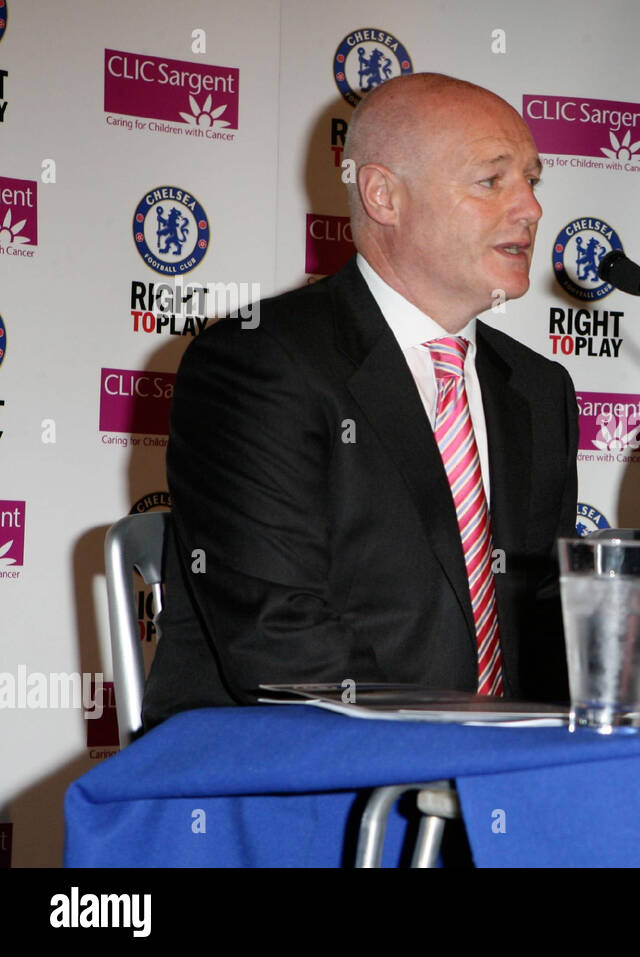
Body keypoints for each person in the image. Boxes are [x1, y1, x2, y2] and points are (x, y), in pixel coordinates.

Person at [142, 74, 577, 727]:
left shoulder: (538, 389)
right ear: (383, 196)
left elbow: (550, 621)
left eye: (533, 181)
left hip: (490, 784)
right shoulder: (260, 362)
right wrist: (458, 745)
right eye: (492, 181)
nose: (531, 208)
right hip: (303, 780)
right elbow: (278, 639)